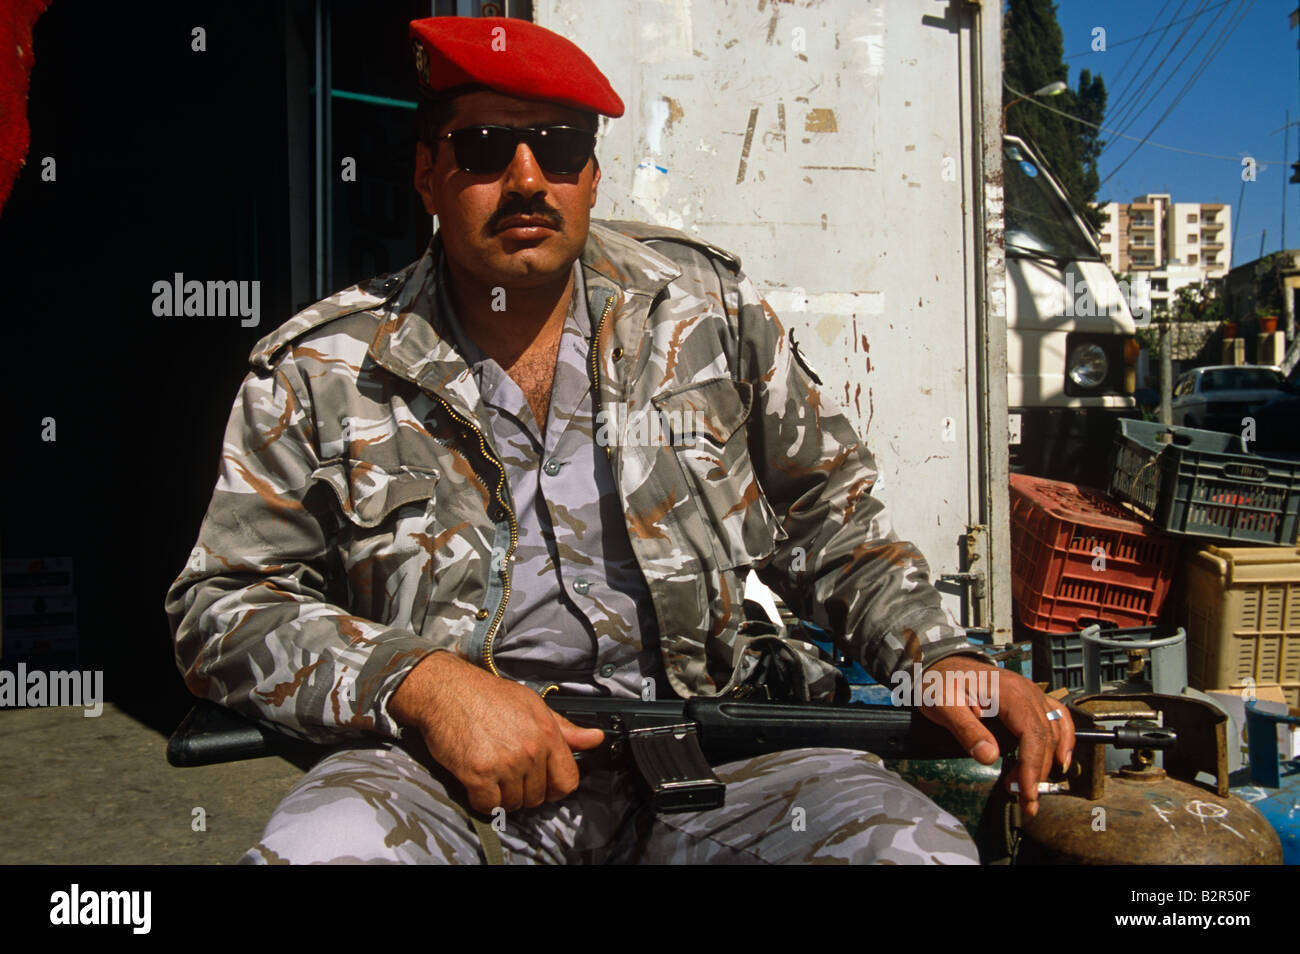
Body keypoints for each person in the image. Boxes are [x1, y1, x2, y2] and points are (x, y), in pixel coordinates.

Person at [165, 15, 1073, 864]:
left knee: (905, 851)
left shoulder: (706, 315)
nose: (527, 178)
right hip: (440, 776)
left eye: (558, 148)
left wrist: (941, 658)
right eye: (484, 148)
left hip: (721, 752)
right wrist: (425, 684)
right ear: (427, 172)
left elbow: (829, 522)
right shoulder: (324, 367)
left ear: (591, 176)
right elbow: (223, 607)